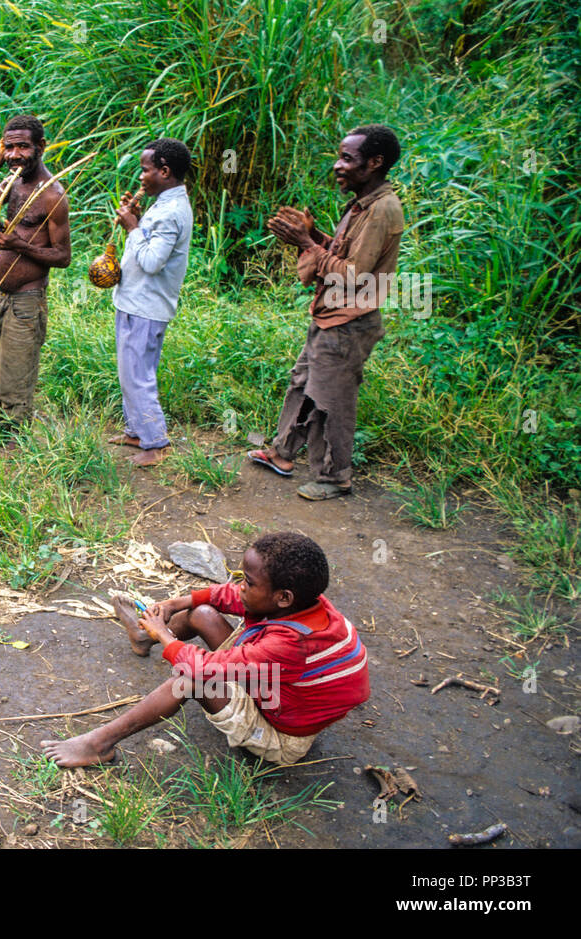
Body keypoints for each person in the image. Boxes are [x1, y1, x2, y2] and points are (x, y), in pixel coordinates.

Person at [41, 532, 369, 768]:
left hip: (280, 739)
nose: (240, 586)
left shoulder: (292, 644)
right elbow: (230, 596)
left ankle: (97, 745)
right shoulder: (306, 605)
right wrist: (178, 602)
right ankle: (144, 640)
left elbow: (202, 670)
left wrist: (166, 636)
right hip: (278, 687)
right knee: (203, 614)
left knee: (190, 678)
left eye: (249, 582)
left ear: (283, 597)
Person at [249, 125, 404, 500]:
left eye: (347, 159)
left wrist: (306, 243)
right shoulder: (362, 205)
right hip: (333, 315)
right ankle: (282, 453)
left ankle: (335, 478)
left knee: (333, 401)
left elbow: (353, 277)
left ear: (376, 162)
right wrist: (314, 236)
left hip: (350, 321)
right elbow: (342, 255)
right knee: (303, 383)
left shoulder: (383, 210)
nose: (338, 165)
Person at [0, 114, 71, 430]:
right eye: (8, 147)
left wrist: (17, 244)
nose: (14, 155)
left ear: (41, 146)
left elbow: (63, 256)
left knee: (16, 378)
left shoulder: (52, 194)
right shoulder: (14, 184)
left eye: (22, 147)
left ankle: (15, 444)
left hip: (27, 302)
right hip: (2, 298)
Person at [106, 138, 193, 467]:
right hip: (136, 303)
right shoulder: (165, 202)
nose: (141, 177)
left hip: (145, 307)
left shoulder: (171, 212)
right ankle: (136, 430)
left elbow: (153, 262)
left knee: (138, 375)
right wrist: (138, 220)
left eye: (145, 170)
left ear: (165, 171)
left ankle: (155, 443)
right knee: (131, 371)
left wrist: (133, 227)